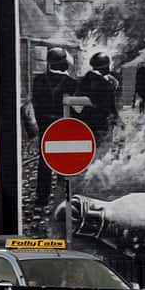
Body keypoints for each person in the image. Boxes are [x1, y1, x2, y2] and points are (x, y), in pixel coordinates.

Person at [29, 46, 78, 206]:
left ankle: (42, 198)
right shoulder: (71, 83)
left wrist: (43, 125)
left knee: (45, 162)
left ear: (49, 63)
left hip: (46, 127)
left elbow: (36, 105)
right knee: (65, 161)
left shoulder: (39, 81)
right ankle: (63, 197)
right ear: (64, 63)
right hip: (64, 126)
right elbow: (76, 110)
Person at [76, 52, 119, 141]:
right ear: (106, 67)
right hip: (100, 127)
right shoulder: (106, 85)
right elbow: (112, 110)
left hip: (83, 125)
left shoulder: (85, 80)